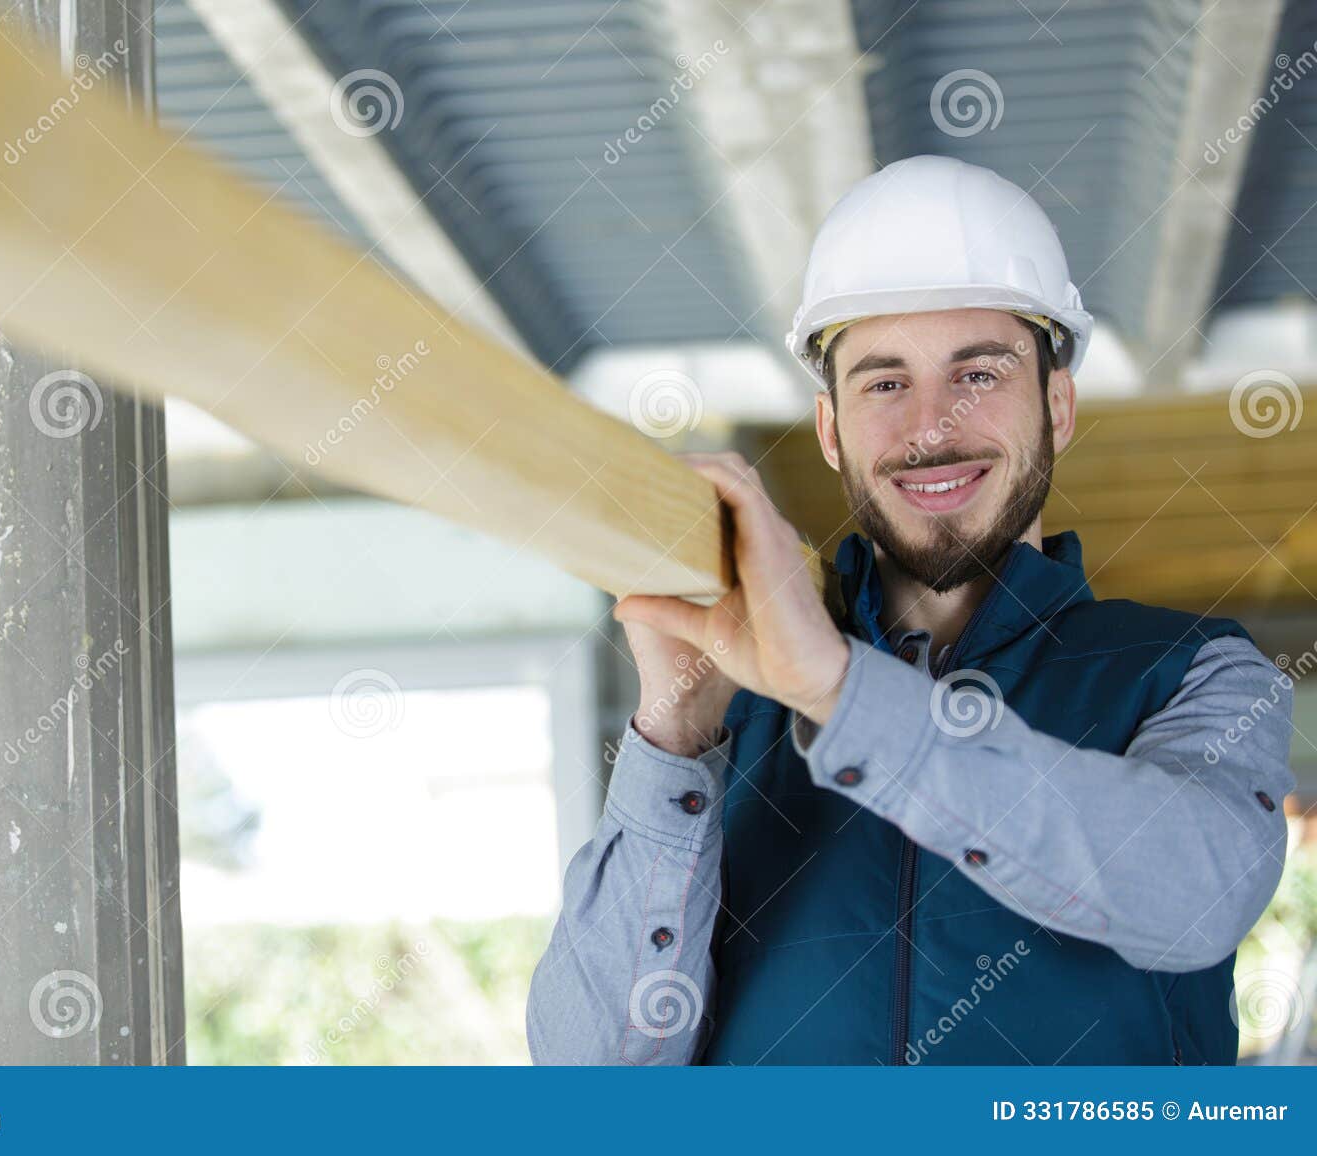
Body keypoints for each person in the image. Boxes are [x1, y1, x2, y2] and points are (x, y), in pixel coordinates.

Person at [526, 155, 1296, 1065]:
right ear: (831, 429)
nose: (931, 428)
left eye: (979, 374)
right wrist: (674, 737)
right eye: (885, 383)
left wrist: (840, 692)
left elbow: (1195, 896)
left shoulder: (1192, 670)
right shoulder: (734, 720)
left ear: (1057, 406)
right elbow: (590, 1076)